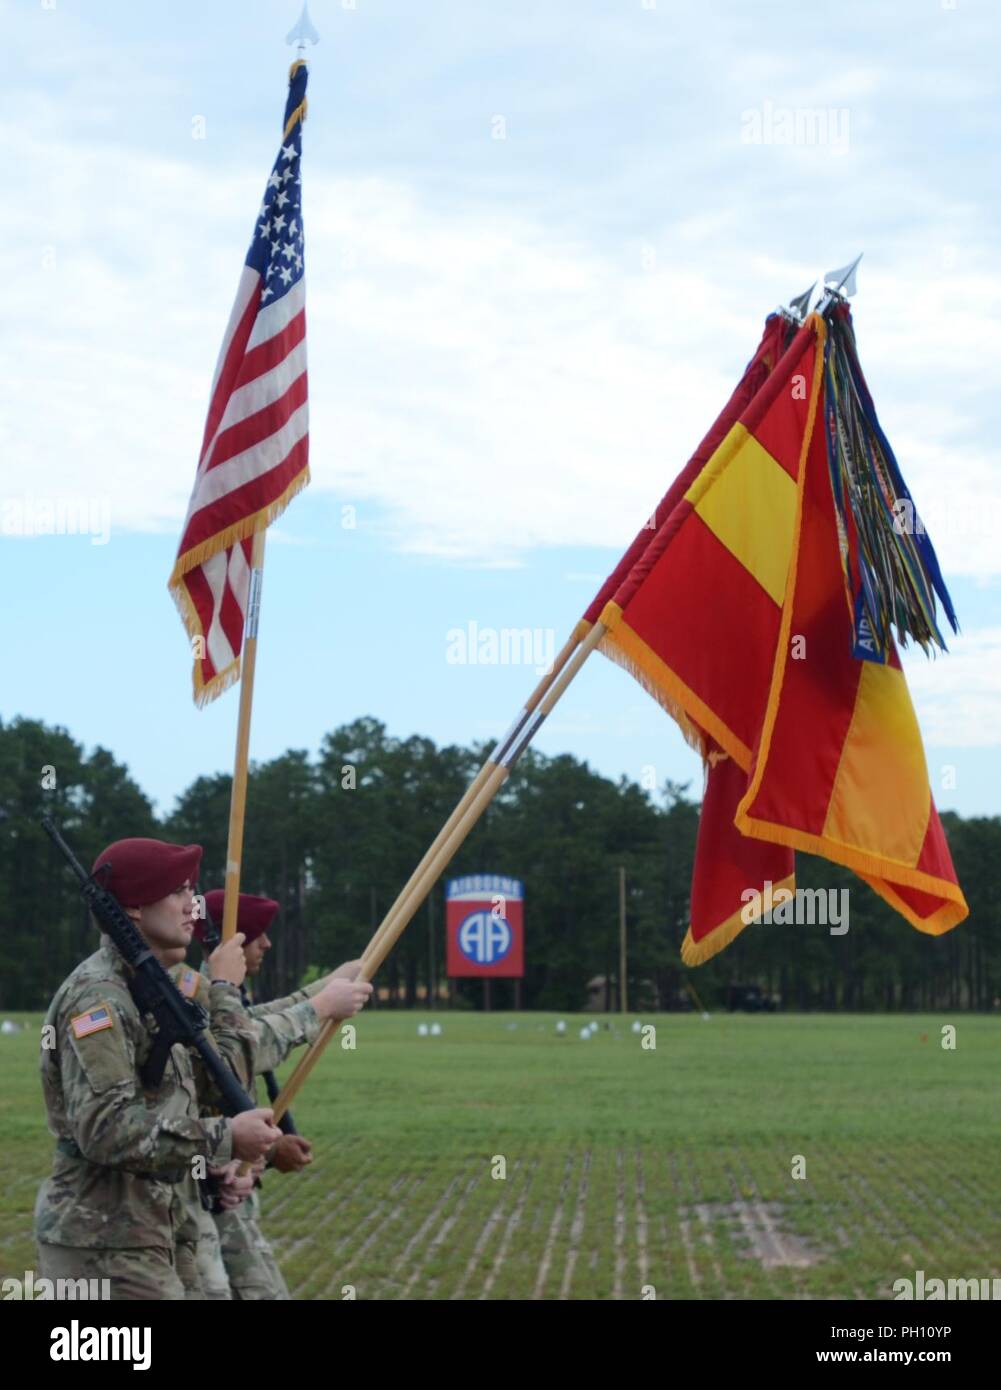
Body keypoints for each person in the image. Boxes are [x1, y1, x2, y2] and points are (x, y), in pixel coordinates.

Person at [34, 837, 281, 1301]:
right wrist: (224, 1136)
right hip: (103, 1247)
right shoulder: (99, 998)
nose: (193, 904)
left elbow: (179, 1097)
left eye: (191, 889)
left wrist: (207, 1163)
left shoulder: (152, 987)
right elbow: (106, 1129)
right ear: (133, 909)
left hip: (154, 1232)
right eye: (177, 891)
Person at [190, 889, 371, 1300]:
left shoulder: (216, 994)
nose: (267, 944)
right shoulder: (197, 996)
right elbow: (244, 1046)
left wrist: (331, 984)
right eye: (257, 936)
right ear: (231, 944)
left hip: (225, 1193)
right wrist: (323, 1005)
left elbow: (259, 1017)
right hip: (207, 1196)